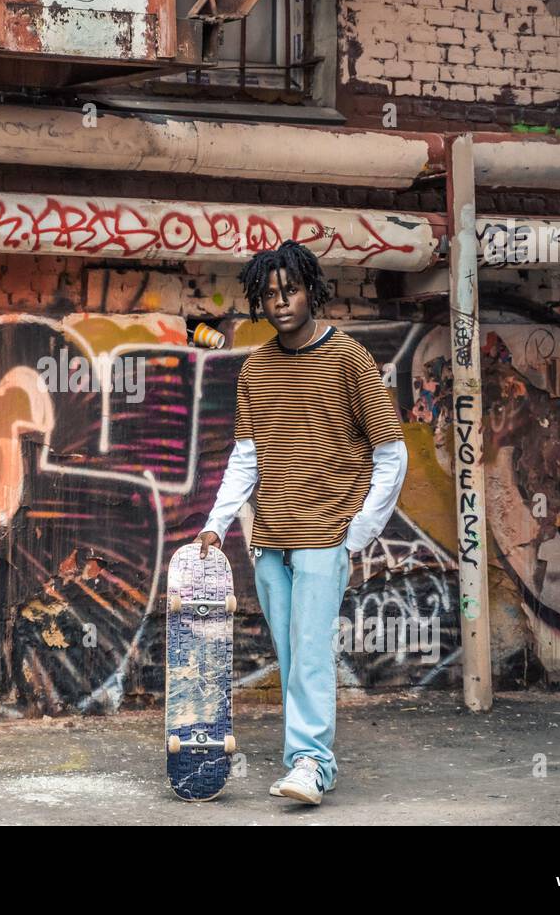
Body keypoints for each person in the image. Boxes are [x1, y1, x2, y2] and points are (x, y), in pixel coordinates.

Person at [195, 241, 408, 806]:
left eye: (290, 290)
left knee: (311, 651)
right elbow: (246, 456)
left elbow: (391, 453)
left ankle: (308, 762)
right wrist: (216, 524)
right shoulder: (256, 369)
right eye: (268, 294)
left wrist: (358, 531)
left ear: (311, 289)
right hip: (268, 539)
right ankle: (317, 762)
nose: (280, 301)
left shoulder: (349, 359)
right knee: (291, 657)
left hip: (325, 532)